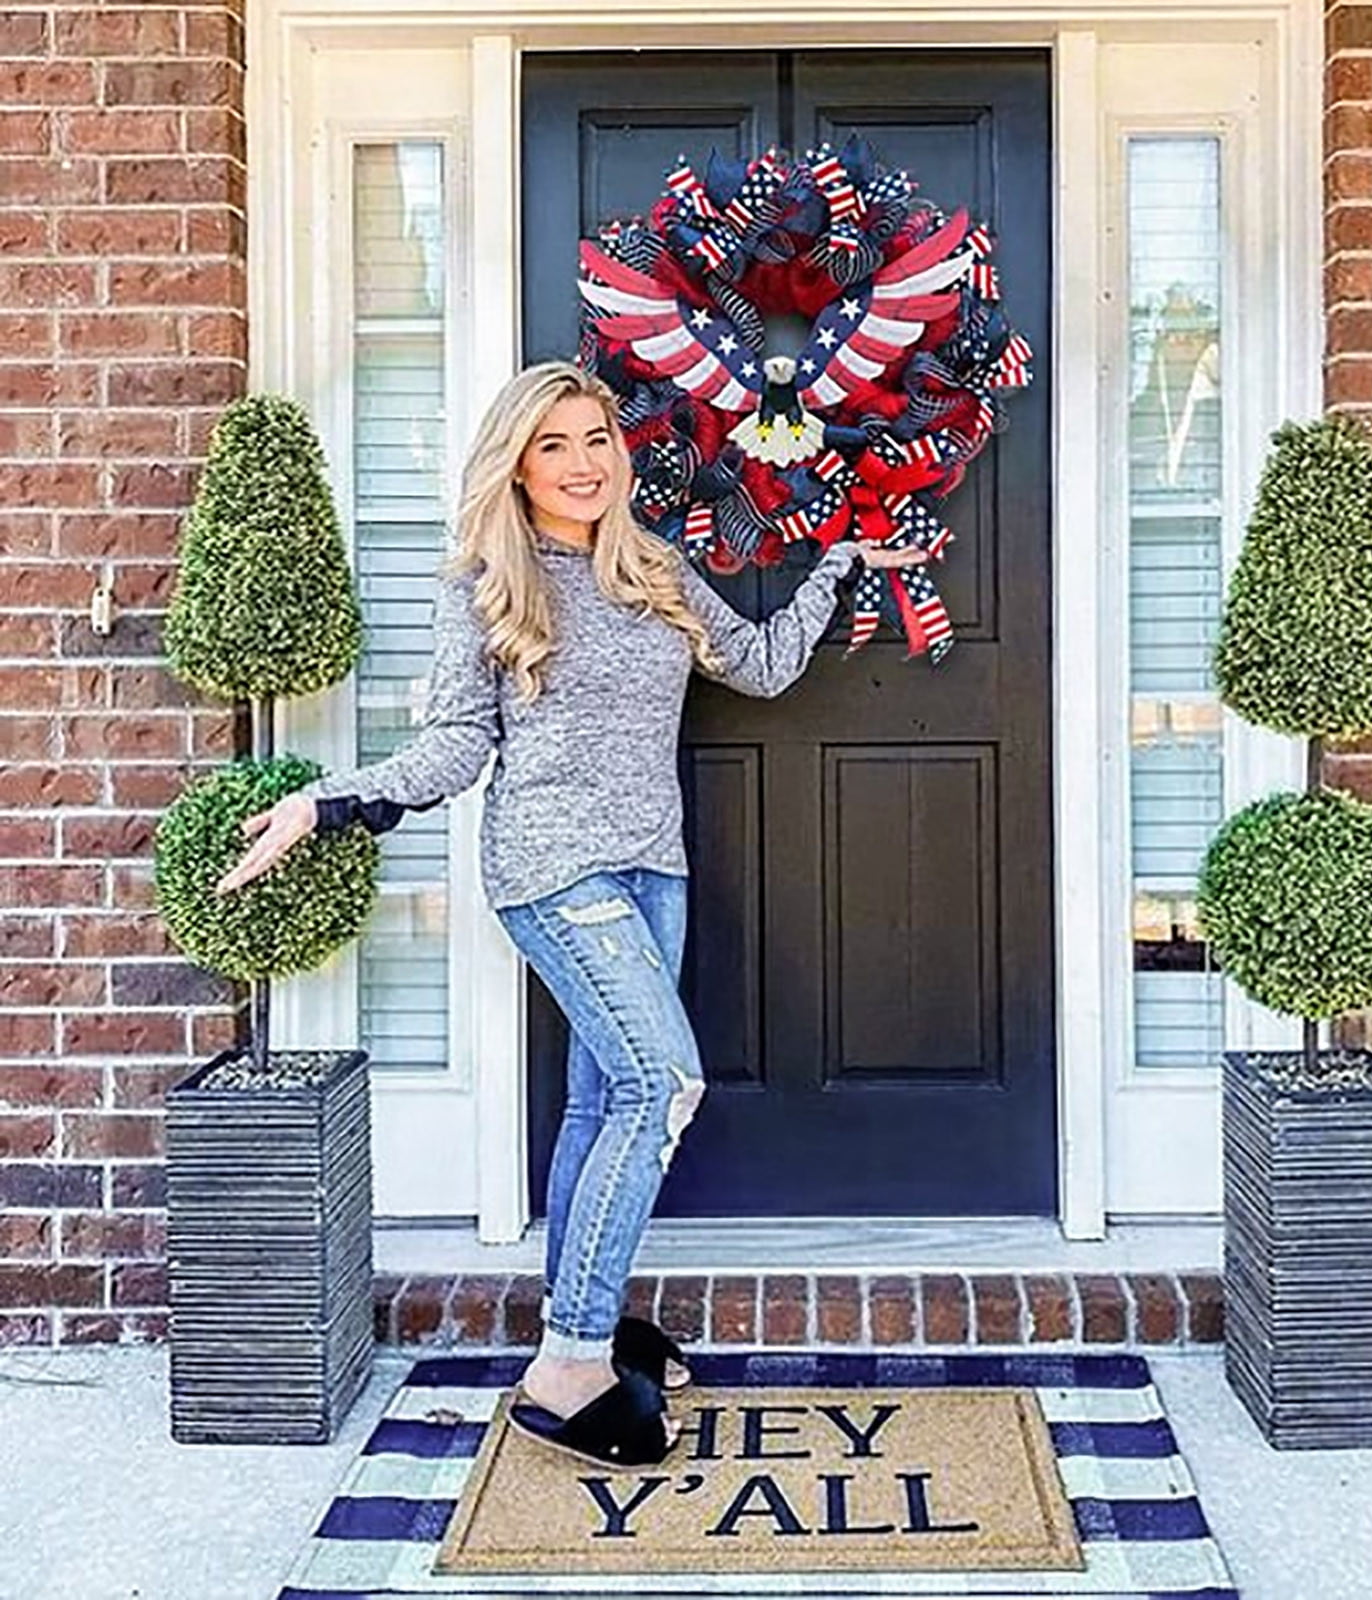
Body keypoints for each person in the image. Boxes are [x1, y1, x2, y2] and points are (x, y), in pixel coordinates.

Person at [214, 359, 928, 1466]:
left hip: (655, 869)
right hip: (552, 870)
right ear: (517, 462)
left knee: (602, 1102)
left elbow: (762, 667)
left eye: (595, 437)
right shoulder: (485, 587)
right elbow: (458, 744)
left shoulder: (652, 567)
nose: (582, 463)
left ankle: (581, 1318)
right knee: (663, 1082)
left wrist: (838, 564)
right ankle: (569, 1359)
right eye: (553, 444)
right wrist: (330, 799)